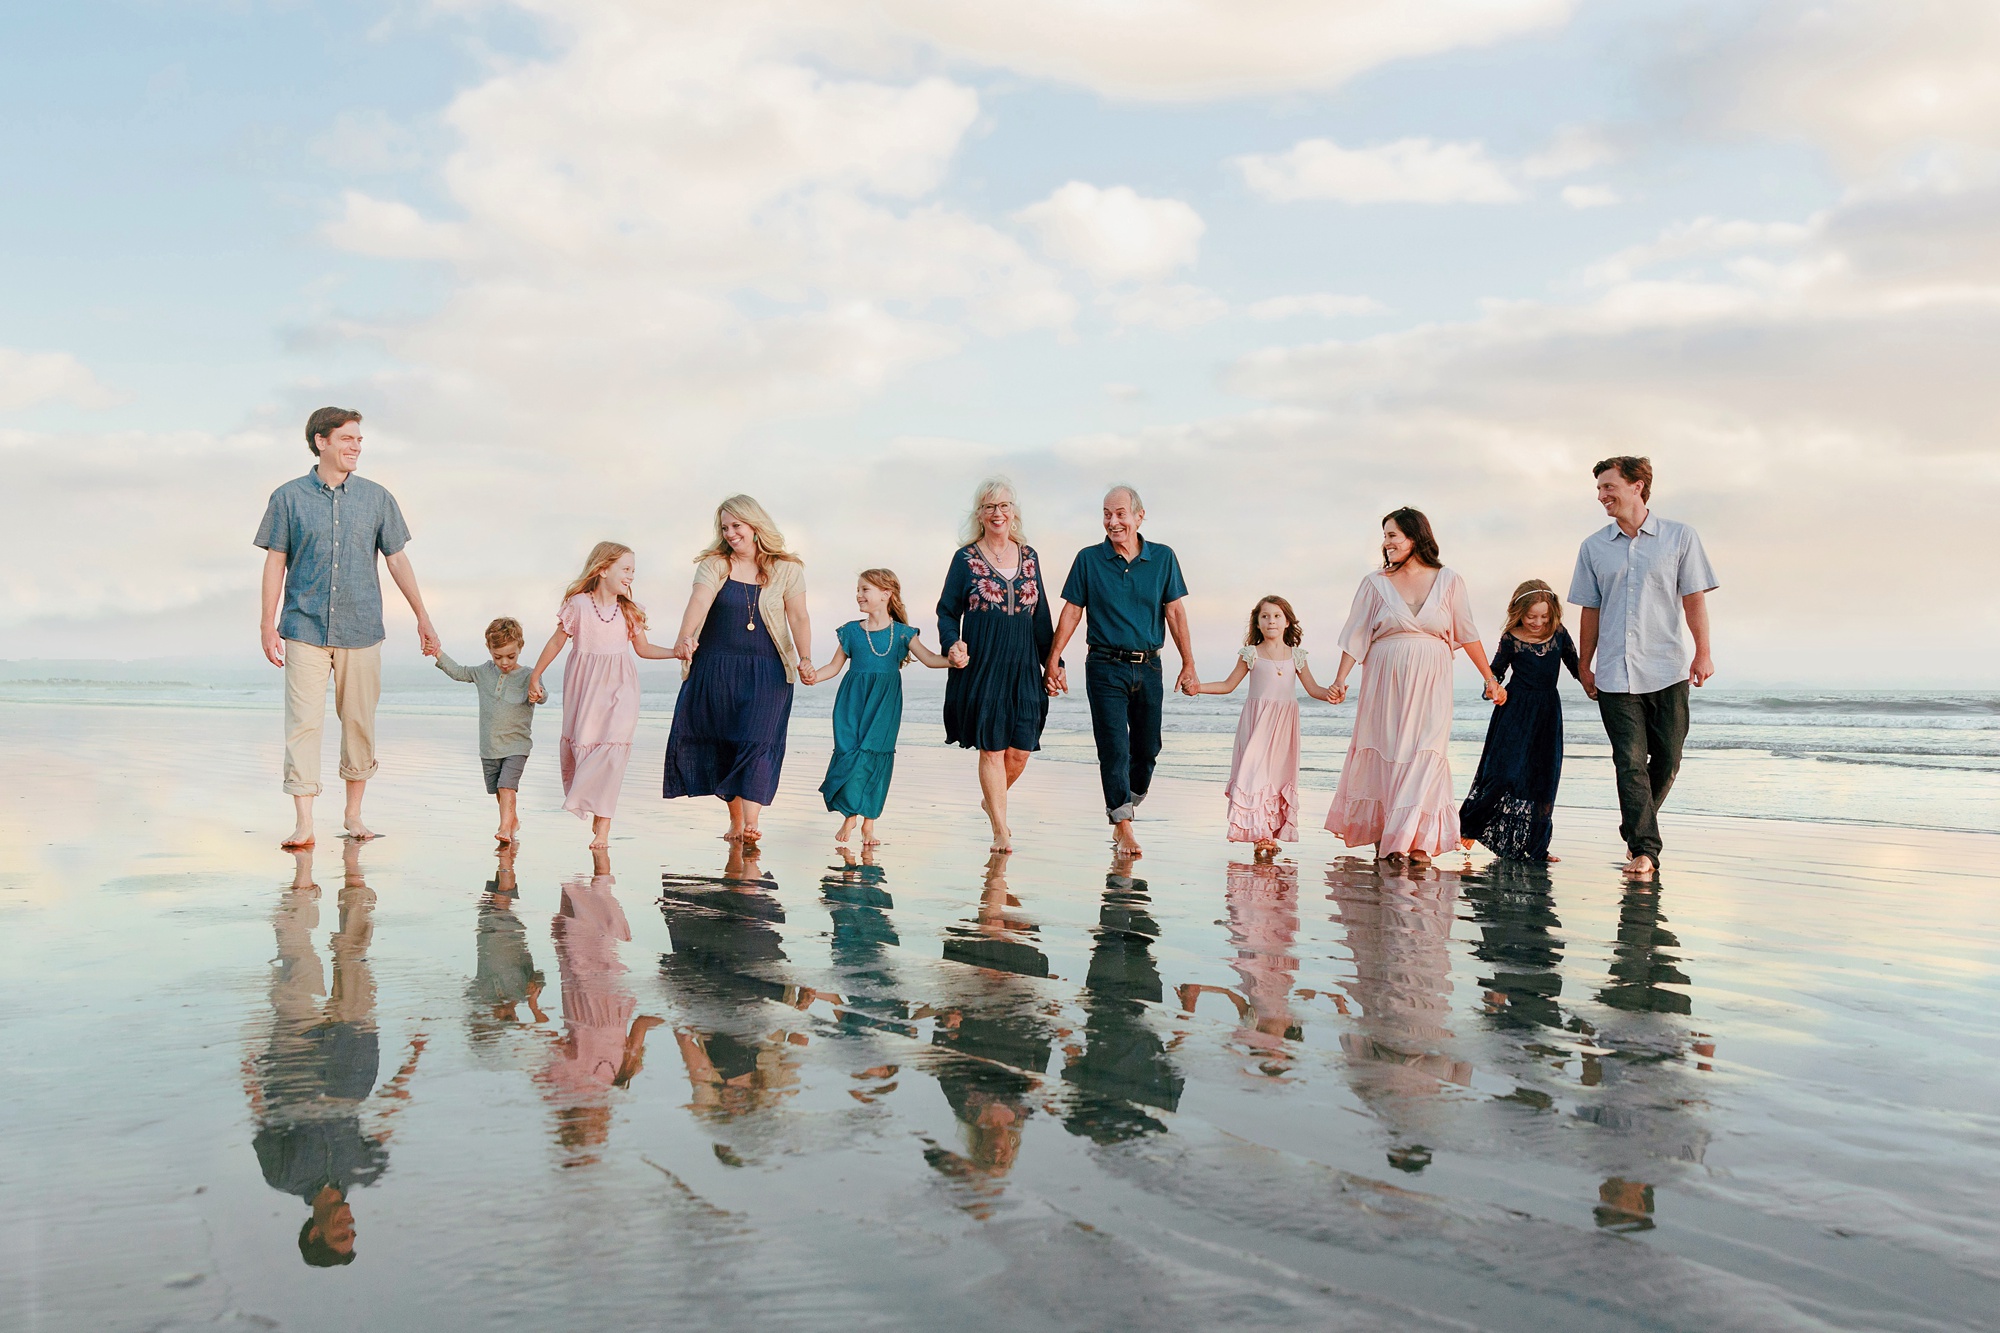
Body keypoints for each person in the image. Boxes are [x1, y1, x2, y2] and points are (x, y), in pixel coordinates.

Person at [254, 407, 440, 848]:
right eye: (347, 439)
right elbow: (275, 560)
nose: (356, 447)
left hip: (362, 628)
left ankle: (354, 814)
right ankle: (304, 823)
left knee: (358, 723)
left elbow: (397, 560)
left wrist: (422, 616)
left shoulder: (377, 498)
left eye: (359, 440)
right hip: (303, 625)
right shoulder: (287, 497)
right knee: (303, 724)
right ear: (321, 441)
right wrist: (267, 621)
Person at [243, 843, 426, 1267]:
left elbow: (262, 1116)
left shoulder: (282, 1177)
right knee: (354, 955)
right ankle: (354, 873)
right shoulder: (364, 1171)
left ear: (313, 1230)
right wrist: (411, 1061)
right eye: (352, 1232)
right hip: (355, 1057)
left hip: (293, 1056)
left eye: (340, 1232)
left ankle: (301, 881)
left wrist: (250, 1063)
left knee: (296, 957)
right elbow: (386, 1118)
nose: (350, 1223)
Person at [1322, 507, 1505, 867]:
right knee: (1388, 750)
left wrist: (1489, 677)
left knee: (1426, 752)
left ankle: (1417, 837)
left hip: (1432, 678)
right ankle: (1390, 834)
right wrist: (1341, 678)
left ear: (1414, 536)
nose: (1385, 542)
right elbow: (1356, 634)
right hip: (1384, 679)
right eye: (1385, 535)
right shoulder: (1374, 583)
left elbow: (1466, 632)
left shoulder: (1449, 580)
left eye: (1392, 535)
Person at [1568, 456, 1719, 879]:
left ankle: (1636, 820)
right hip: (1615, 672)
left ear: (1638, 486)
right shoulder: (1593, 547)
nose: (1601, 496)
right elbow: (1590, 609)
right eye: (1598, 489)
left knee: (1669, 758)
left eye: (1608, 487)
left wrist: (1703, 653)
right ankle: (1644, 849)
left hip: (1667, 668)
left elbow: (1694, 599)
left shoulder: (1679, 537)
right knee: (1629, 761)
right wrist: (1584, 663)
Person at [1045, 485, 1198, 857]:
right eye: (1107, 514)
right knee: (1113, 748)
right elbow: (1071, 612)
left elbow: (1175, 612)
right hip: (1103, 666)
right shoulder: (1089, 559)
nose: (1113, 522)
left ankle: (1125, 802)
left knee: (1147, 749)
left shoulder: (1163, 558)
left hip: (1149, 666)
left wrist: (1188, 663)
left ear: (1139, 516)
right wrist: (1053, 657)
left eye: (1120, 514)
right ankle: (1123, 826)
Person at [663, 496, 813, 845]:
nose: (730, 533)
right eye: (725, 527)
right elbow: (699, 601)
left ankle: (752, 819)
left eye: (736, 526)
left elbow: (799, 617)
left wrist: (805, 657)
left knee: (759, 741)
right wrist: (685, 637)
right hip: (716, 667)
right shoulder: (715, 565)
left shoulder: (788, 569)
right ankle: (735, 818)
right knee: (726, 744)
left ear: (755, 525)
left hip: (769, 670)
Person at [527, 542, 677, 849]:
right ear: (602, 569)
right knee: (587, 746)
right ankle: (592, 805)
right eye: (625, 569)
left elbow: (644, 649)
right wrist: (535, 674)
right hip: (585, 688)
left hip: (623, 687)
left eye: (633, 571)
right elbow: (557, 642)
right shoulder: (579, 605)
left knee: (613, 752)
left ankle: (604, 828)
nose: (630, 576)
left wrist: (676, 653)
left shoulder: (629, 610)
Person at [937, 477, 1055, 853]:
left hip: (1022, 662)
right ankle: (1001, 828)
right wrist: (951, 644)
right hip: (983, 661)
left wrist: (1054, 663)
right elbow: (946, 611)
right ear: (980, 515)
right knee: (992, 747)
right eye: (989, 506)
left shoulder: (1030, 556)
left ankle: (993, 799)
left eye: (1004, 506)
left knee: (1020, 749)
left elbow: (1041, 618)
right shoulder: (966, 559)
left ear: (1014, 512)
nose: (997, 513)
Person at [811, 568, 954, 845]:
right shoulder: (851, 631)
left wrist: (954, 661)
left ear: (886, 594)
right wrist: (812, 676)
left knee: (876, 753)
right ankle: (850, 814)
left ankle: (868, 823)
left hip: (885, 703)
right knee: (848, 751)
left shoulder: (902, 633)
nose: (859, 595)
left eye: (865, 589)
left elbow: (929, 659)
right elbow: (833, 667)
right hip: (851, 701)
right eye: (858, 590)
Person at [1195, 596, 1334, 859]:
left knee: (1277, 777)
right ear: (1257, 623)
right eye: (1265, 616)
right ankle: (1261, 836)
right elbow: (1227, 685)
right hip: (1258, 722)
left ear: (1287, 621)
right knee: (1254, 775)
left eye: (1277, 616)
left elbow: (1314, 690)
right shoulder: (1251, 653)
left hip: (1285, 725)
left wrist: (1333, 694)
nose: (1271, 621)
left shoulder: (1297, 656)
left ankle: (1268, 833)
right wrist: (1198, 687)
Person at [1458, 581, 1582, 863]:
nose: (1538, 622)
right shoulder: (1511, 637)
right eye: (1531, 616)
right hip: (1514, 712)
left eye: (1544, 616)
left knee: (1543, 780)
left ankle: (1537, 848)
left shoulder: (1559, 634)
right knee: (1502, 774)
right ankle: (1469, 825)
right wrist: (1493, 688)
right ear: (1519, 612)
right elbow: (1496, 672)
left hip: (1547, 713)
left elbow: (1576, 666)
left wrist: (1595, 688)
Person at [429, 616, 544, 844]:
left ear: (520, 647)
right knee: (498, 791)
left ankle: (504, 828)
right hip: (490, 747)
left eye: (510, 656)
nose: (504, 662)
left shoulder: (527, 675)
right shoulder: (483, 672)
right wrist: (437, 653)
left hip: (517, 745)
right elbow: (459, 672)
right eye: (497, 656)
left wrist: (537, 693)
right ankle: (512, 820)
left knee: (507, 786)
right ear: (488, 649)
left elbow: (541, 693)